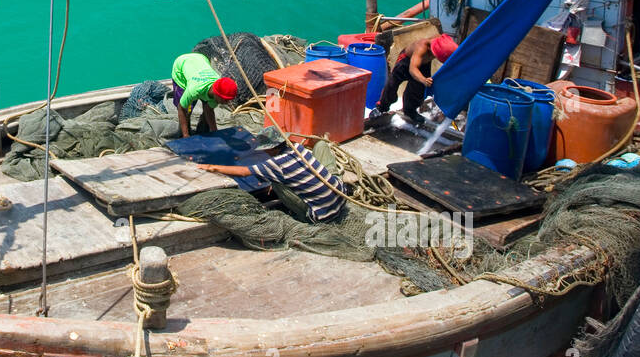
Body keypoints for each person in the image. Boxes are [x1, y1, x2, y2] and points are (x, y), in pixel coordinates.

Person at [196, 136, 348, 223]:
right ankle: (331, 187)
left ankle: (304, 212)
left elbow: (243, 172)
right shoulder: (298, 148)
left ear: (273, 149)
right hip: (341, 196)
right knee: (321, 144)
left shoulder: (275, 164)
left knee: (275, 182)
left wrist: (212, 167)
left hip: (321, 215)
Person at [375, 33, 457, 124]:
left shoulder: (442, 41)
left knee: (418, 90)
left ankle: (410, 111)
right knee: (392, 84)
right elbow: (412, 69)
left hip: (424, 64)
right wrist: (423, 79)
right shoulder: (421, 47)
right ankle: (382, 107)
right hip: (407, 62)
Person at [171, 52, 238, 137]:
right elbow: (181, 108)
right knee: (188, 109)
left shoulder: (216, 92)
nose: (227, 103)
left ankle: (202, 129)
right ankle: (185, 131)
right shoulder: (194, 90)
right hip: (181, 65)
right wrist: (186, 136)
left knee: (207, 109)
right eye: (225, 100)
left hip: (201, 59)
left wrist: (215, 132)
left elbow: (209, 110)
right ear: (216, 94)